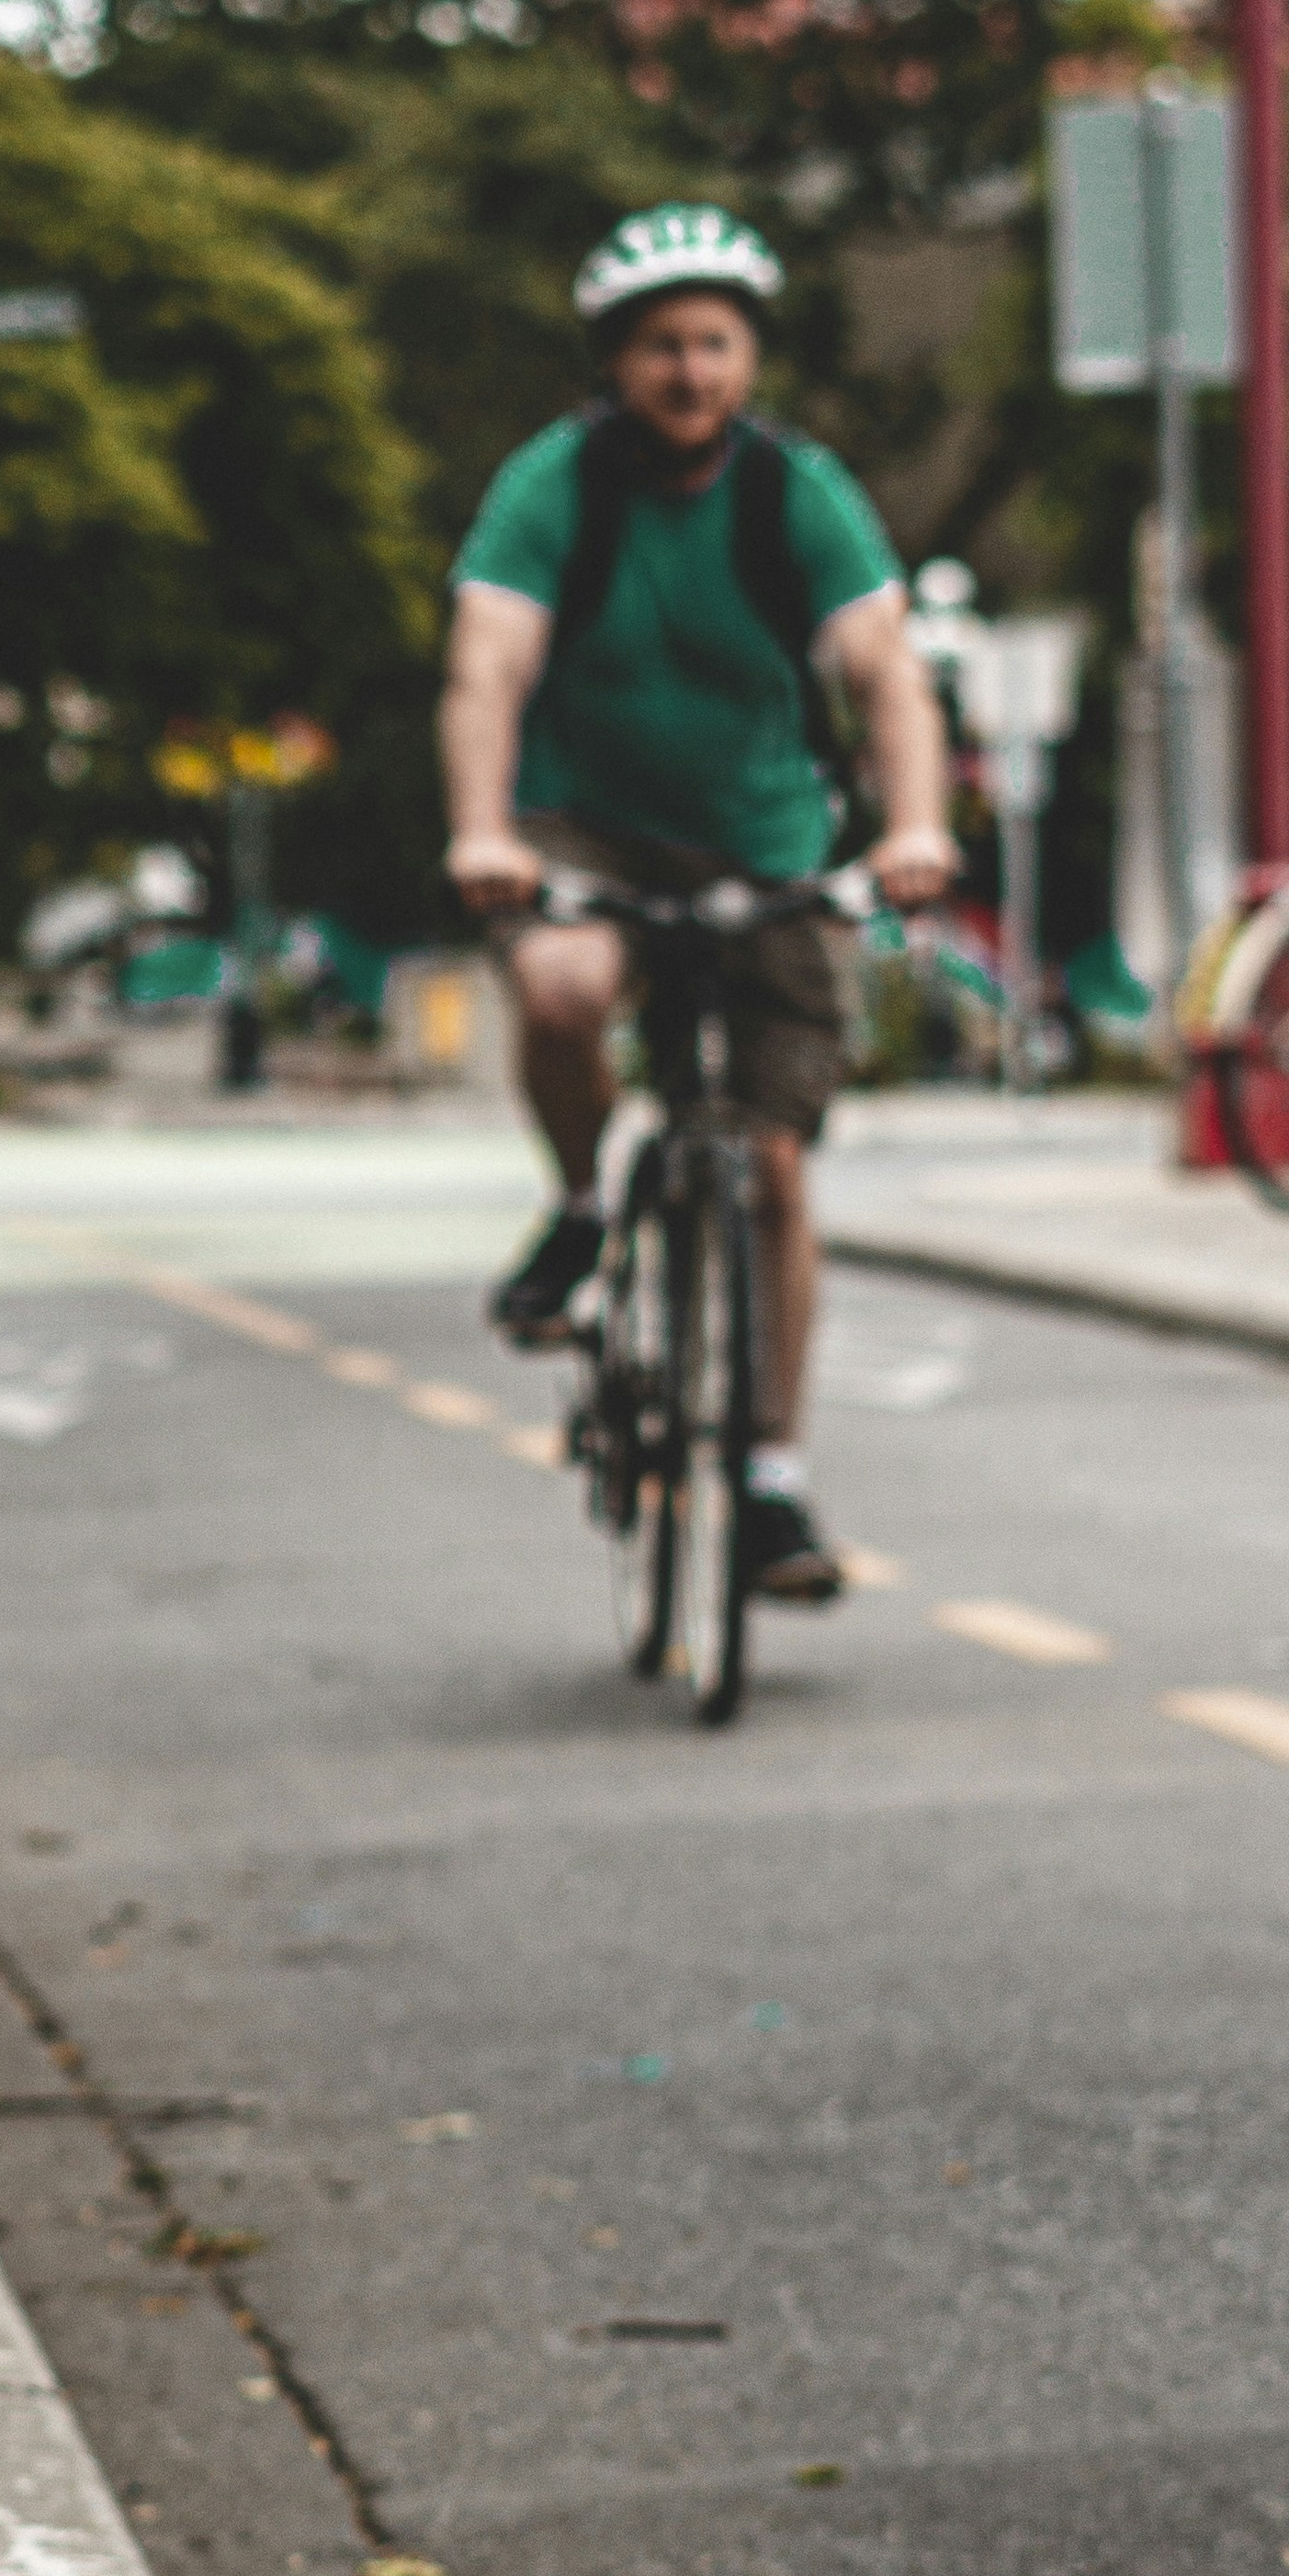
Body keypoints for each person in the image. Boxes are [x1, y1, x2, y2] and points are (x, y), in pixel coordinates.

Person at [439, 205, 952, 1608]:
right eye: (660, 345)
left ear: (746, 357)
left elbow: (884, 669)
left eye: (714, 344)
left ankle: (771, 1475)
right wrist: (481, 829)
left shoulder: (795, 490)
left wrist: (913, 825)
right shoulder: (554, 486)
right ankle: (581, 1198)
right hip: (580, 824)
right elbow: (485, 666)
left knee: (771, 1165)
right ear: (613, 359)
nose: (688, 372)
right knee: (557, 989)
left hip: (763, 839)